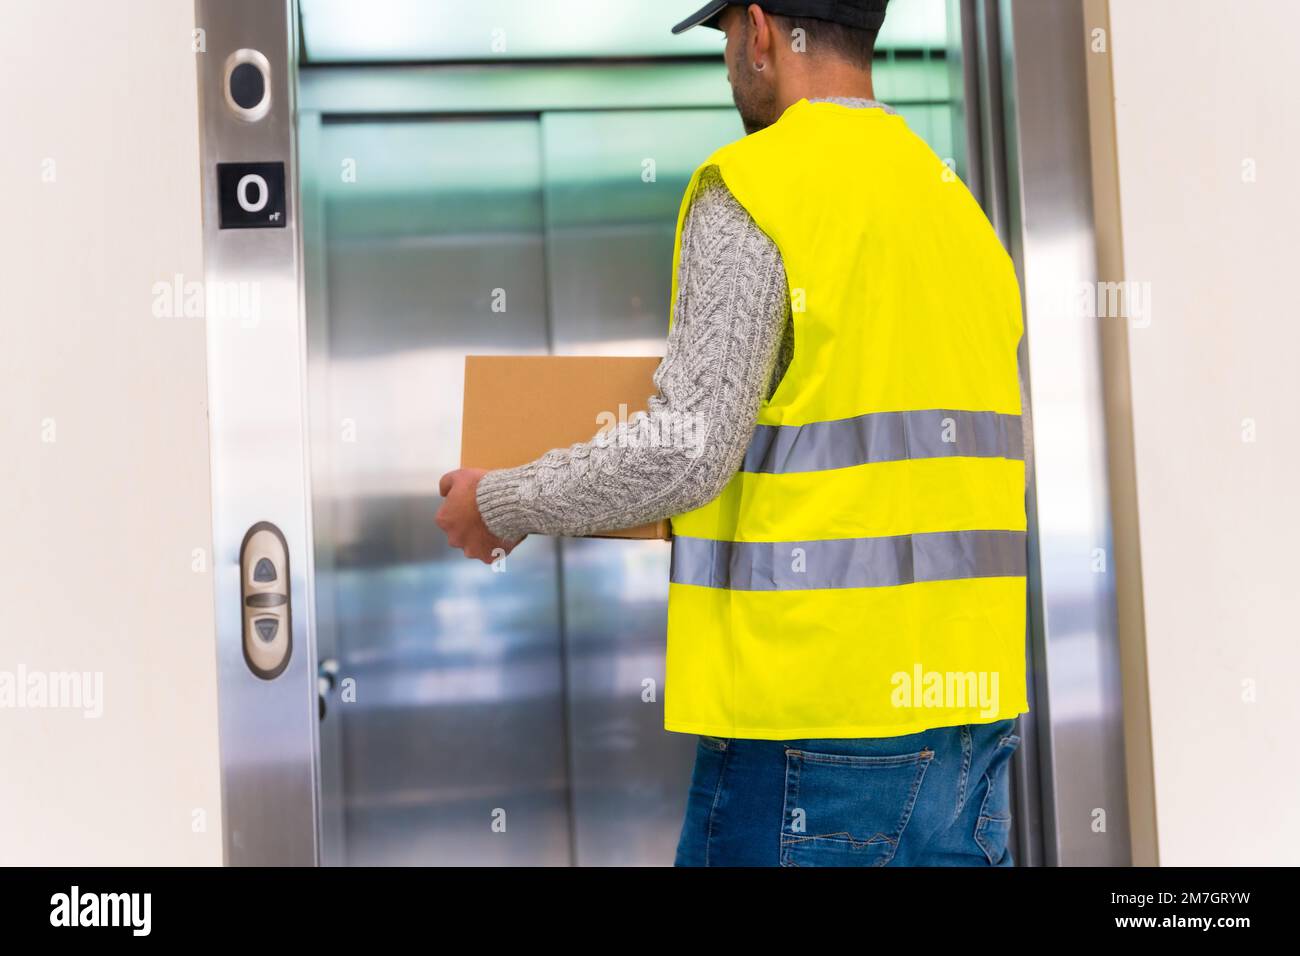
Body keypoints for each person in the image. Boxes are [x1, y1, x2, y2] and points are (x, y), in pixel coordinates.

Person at [435, 0, 1032, 867]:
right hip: (974, 730)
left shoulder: (760, 186)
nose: (726, 64)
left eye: (723, 39)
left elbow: (687, 447)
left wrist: (500, 500)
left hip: (814, 733)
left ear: (761, 32)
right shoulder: (961, 218)